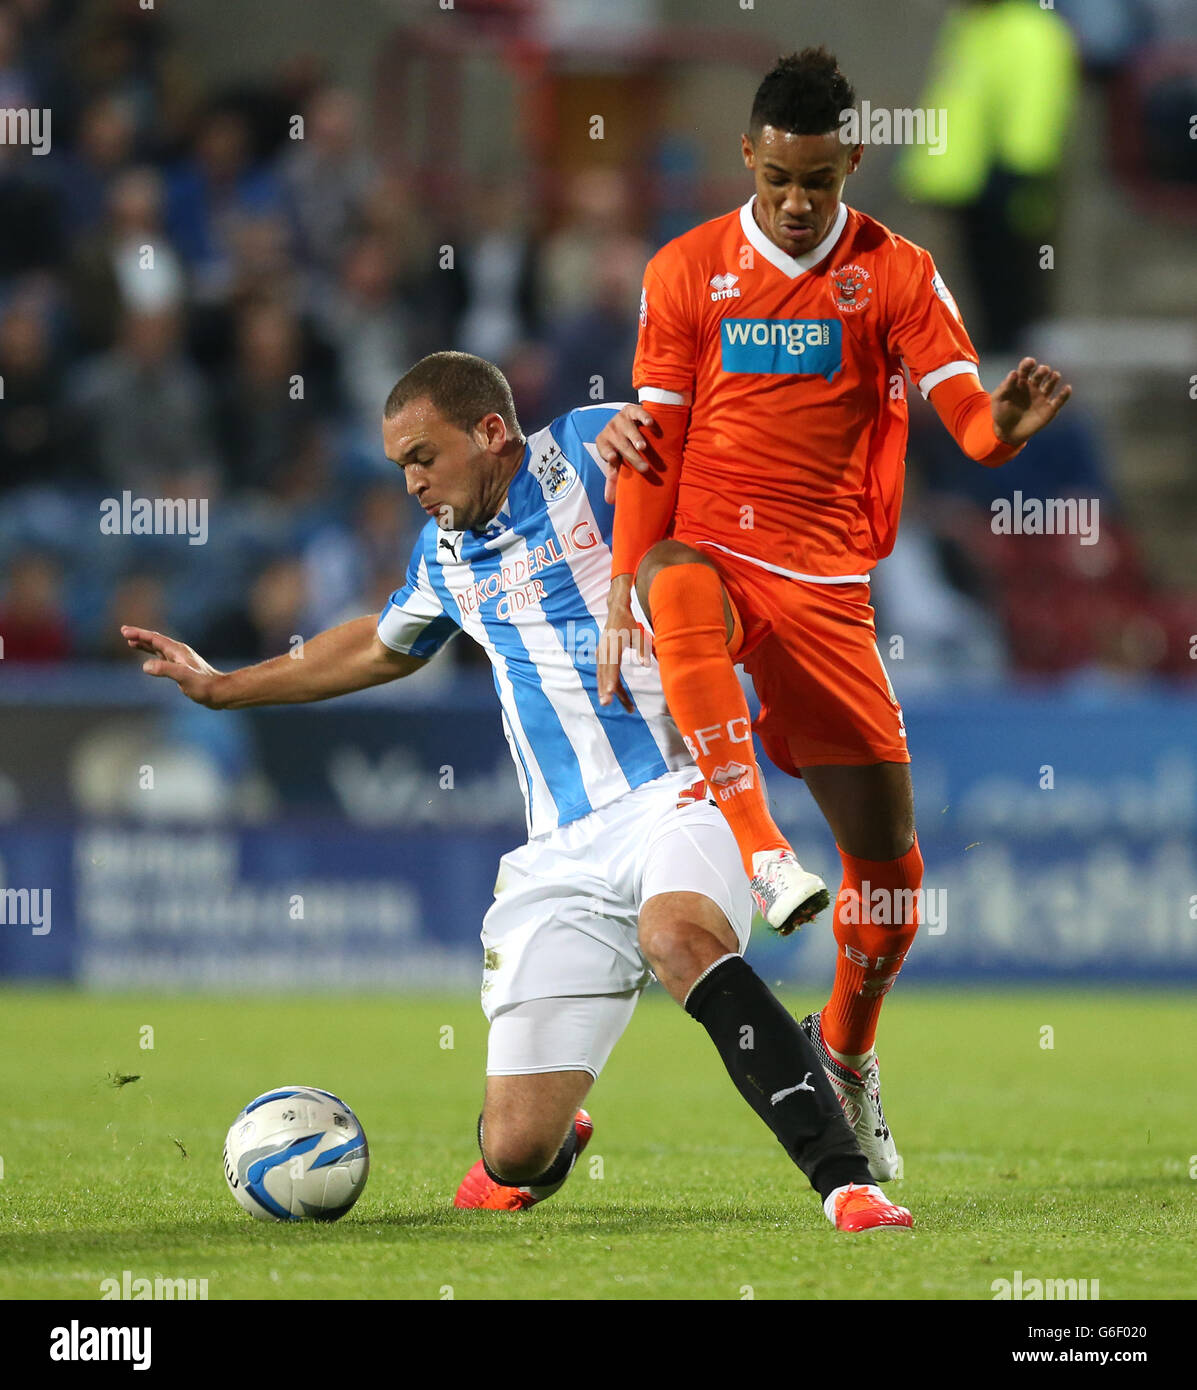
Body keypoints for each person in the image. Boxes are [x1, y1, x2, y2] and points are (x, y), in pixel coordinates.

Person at [122, 350, 911, 1233]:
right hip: (560, 854)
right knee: (513, 1151)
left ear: (491, 432)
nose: (411, 481)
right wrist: (225, 684)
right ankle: (551, 1138)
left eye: (423, 456)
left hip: (683, 793)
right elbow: (379, 646)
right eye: (399, 466)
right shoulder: (442, 559)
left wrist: (673, 436)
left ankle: (846, 1183)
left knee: (678, 937)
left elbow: (725, 451)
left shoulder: (588, 450)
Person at [595, 49, 1072, 1181]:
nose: (799, 205)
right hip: (708, 550)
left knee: (893, 875)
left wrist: (1003, 427)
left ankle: (847, 1053)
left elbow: (966, 421)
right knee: (674, 576)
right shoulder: (686, 270)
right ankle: (764, 857)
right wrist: (620, 586)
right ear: (749, 158)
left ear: (853, 161)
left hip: (824, 587)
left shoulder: (897, 274)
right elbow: (652, 443)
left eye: (820, 183)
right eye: (779, 183)